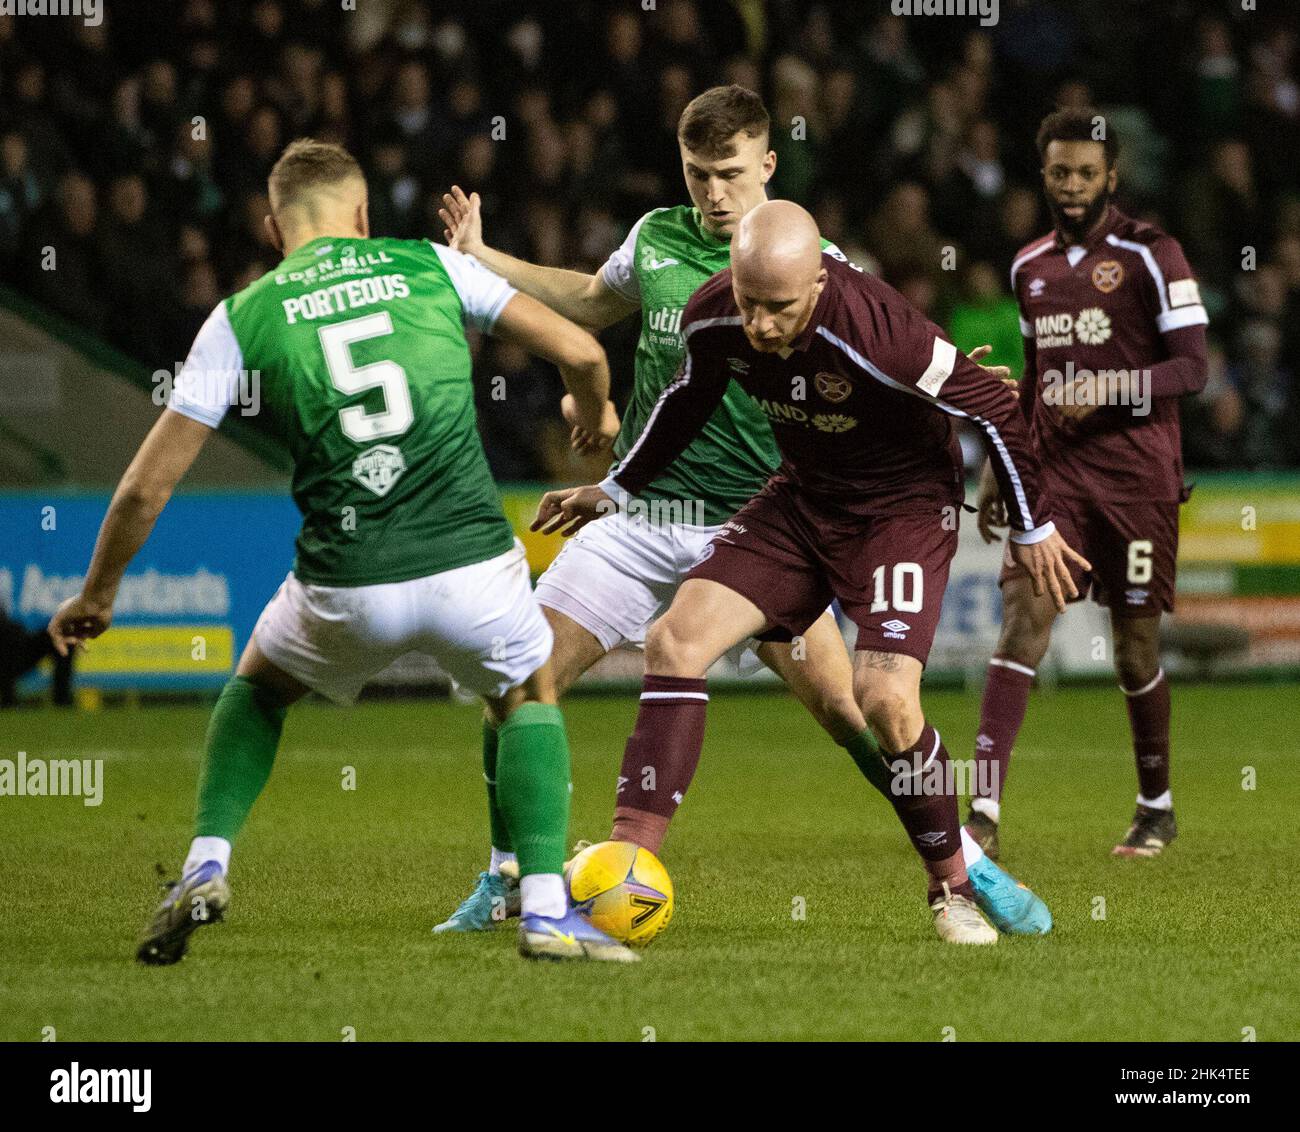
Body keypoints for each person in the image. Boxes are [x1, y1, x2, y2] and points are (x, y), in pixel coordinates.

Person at [435, 85, 1045, 939]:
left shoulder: (819, 262)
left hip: (758, 515)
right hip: (646, 514)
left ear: (767, 165)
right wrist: (480, 256)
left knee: (857, 711)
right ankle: (508, 872)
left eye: (728, 174)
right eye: (697, 174)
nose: (712, 194)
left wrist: (955, 387)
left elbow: (893, 346)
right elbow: (583, 300)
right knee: (518, 678)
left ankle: (961, 868)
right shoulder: (654, 242)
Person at [47, 138, 636, 965]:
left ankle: (205, 864)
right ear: (361, 215)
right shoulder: (432, 267)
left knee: (256, 691)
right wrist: (592, 415)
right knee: (525, 691)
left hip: (345, 586)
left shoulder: (244, 314)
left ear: (271, 228)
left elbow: (147, 487)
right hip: (469, 564)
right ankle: (542, 907)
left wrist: (98, 595)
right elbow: (582, 350)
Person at [533, 200, 1087, 944]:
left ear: (821, 283)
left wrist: (1033, 525)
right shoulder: (713, 314)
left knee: (883, 701)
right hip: (800, 499)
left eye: (780, 308)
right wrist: (620, 487)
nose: (758, 325)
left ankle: (954, 881)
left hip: (902, 512)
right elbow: (688, 397)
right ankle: (630, 865)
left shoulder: (882, 333)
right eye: (748, 302)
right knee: (676, 640)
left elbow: (996, 407)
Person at [967, 108, 1209, 859]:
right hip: (1058, 477)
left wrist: (1107, 388)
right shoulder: (1028, 266)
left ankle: (1155, 807)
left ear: (1112, 177)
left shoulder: (1152, 254)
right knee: (1023, 622)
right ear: (1044, 175)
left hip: (1138, 476)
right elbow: (1037, 379)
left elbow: (1193, 369)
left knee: (1134, 652)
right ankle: (980, 817)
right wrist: (1002, 466)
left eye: (1086, 174)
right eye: (1059, 173)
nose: (1072, 187)